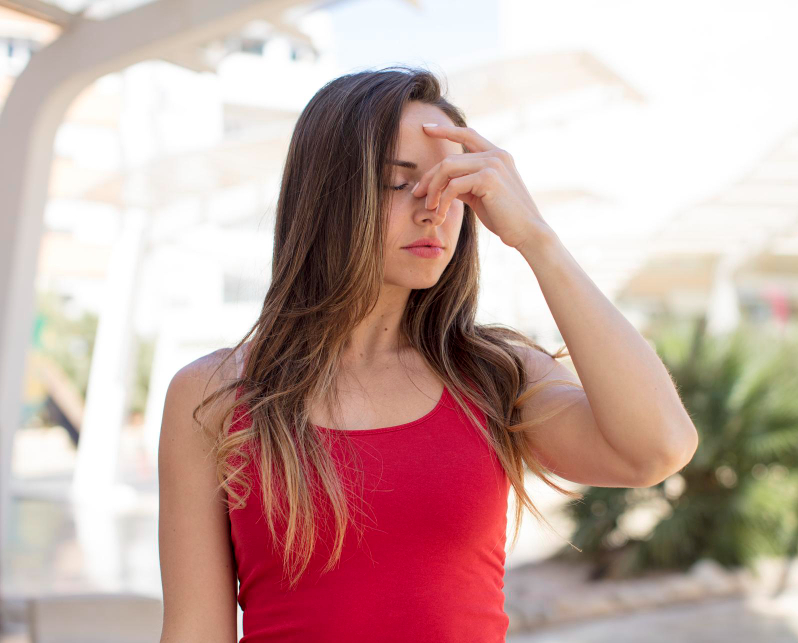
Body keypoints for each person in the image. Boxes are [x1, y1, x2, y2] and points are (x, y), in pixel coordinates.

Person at [157, 66, 698, 642]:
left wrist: (536, 237)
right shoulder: (215, 395)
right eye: (400, 182)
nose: (433, 208)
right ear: (327, 195)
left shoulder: (495, 376)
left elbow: (657, 449)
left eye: (454, 186)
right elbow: (194, 632)